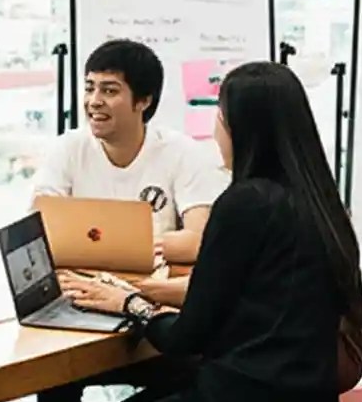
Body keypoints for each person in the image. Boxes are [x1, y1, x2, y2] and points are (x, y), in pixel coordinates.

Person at [54, 61, 362, 402]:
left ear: (242, 129)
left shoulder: (246, 204)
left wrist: (129, 303)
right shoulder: (321, 203)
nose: (216, 133)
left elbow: (185, 337)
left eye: (219, 118)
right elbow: (247, 295)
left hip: (243, 392)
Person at [33, 39, 228, 305]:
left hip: (149, 294)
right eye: (89, 88)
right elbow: (37, 229)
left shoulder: (183, 153)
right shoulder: (67, 148)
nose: (94, 101)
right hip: (79, 289)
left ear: (143, 101)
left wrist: (105, 246)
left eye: (109, 91)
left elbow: (198, 240)